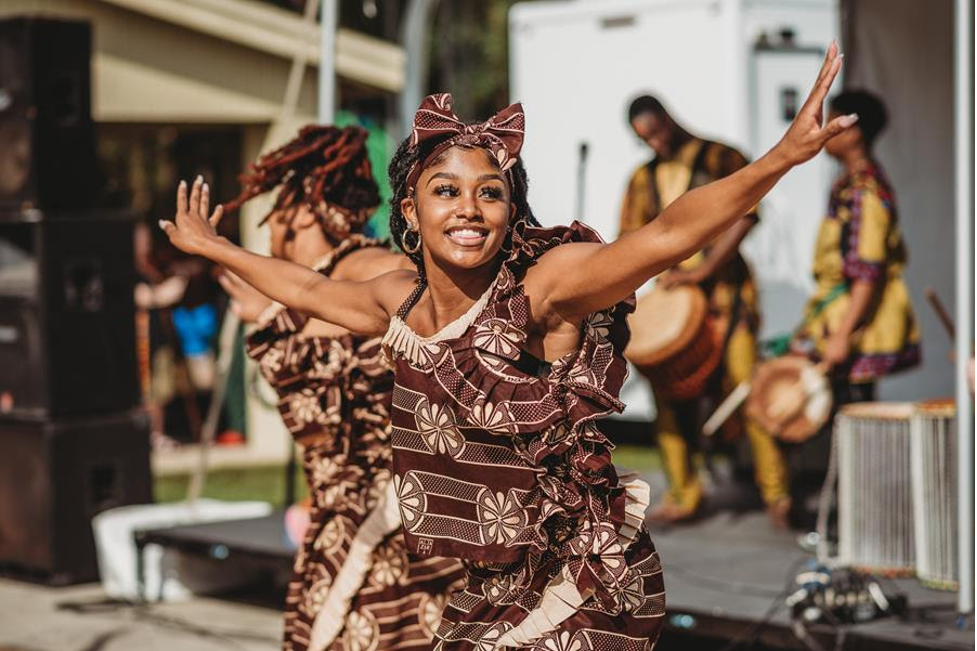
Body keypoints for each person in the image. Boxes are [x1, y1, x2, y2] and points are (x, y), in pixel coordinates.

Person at [160, 44, 852, 649]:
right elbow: (305, 290)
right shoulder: (395, 300)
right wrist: (214, 245)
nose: (468, 207)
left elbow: (665, 235)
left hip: (582, 577)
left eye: (489, 192)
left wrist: (780, 159)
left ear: (508, 208)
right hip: (489, 585)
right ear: (409, 210)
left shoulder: (541, 289)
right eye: (445, 190)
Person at [217, 124, 464, 651]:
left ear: (303, 208)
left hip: (385, 531)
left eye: (276, 207)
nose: (271, 225)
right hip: (367, 528)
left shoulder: (370, 276)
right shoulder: (328, 285)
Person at [620, 95, 789, 525]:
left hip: (727, 299)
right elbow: (630, 238)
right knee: (667, 396)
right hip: (677, 299)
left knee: (746, 391)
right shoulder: (643, 179)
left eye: (657, 132)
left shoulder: (721, 157)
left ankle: (778, 494)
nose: (655, 144)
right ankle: (683, 493)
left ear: (669, 118)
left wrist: (703, 272)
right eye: (645, 140)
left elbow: (747, 214)